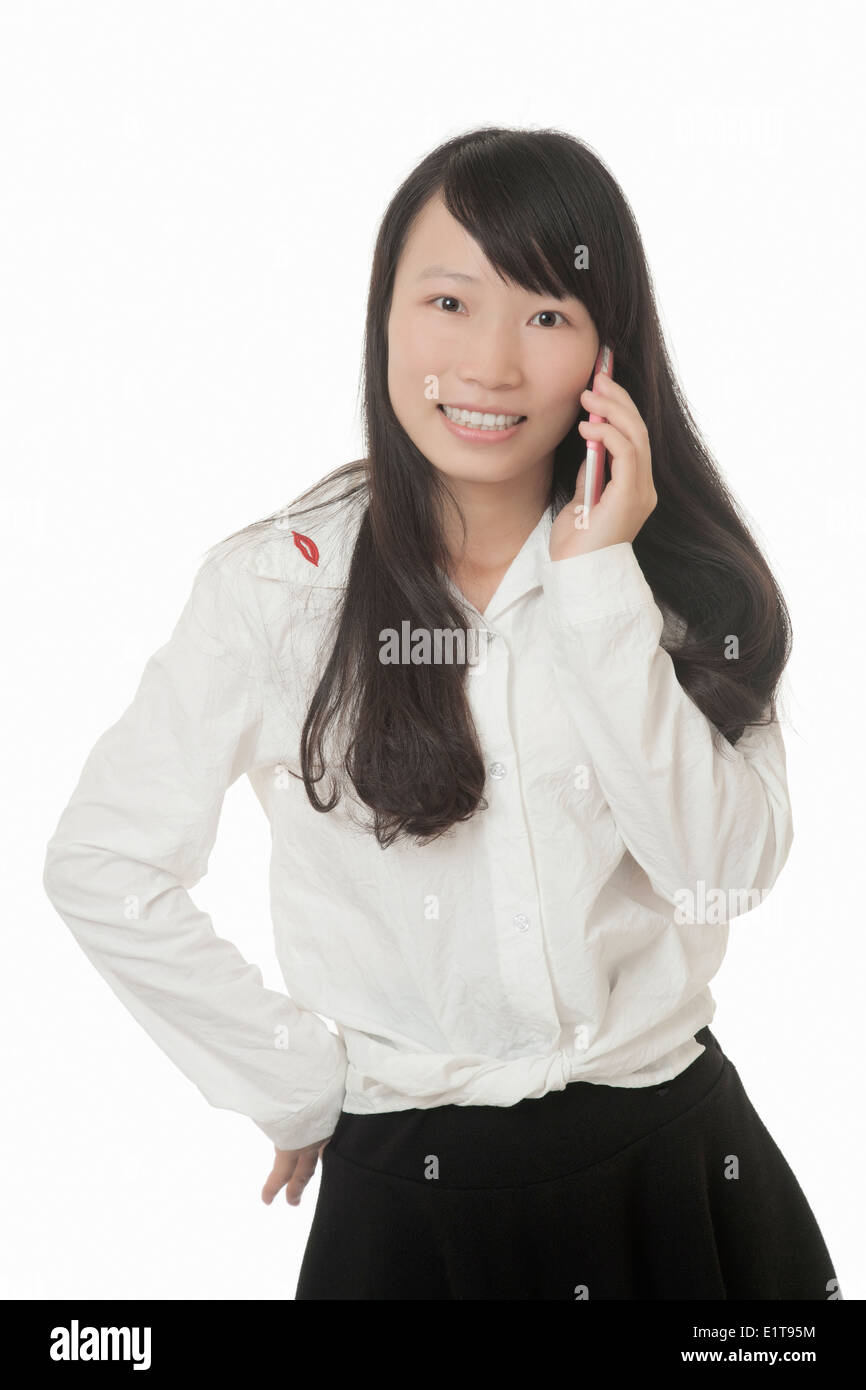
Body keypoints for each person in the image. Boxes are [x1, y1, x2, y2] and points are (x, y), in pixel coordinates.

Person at [42, 125, 840, 1301]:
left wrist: (597, 588)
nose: (490, 365)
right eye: (450, 302)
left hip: (670, 1172)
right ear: (384, 317)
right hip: (407, 1199)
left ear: (608, 352)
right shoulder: (280, 587)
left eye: (547, 315)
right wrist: (293, 1081)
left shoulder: (684, 587)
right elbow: (102, 862)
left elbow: (717, 869)